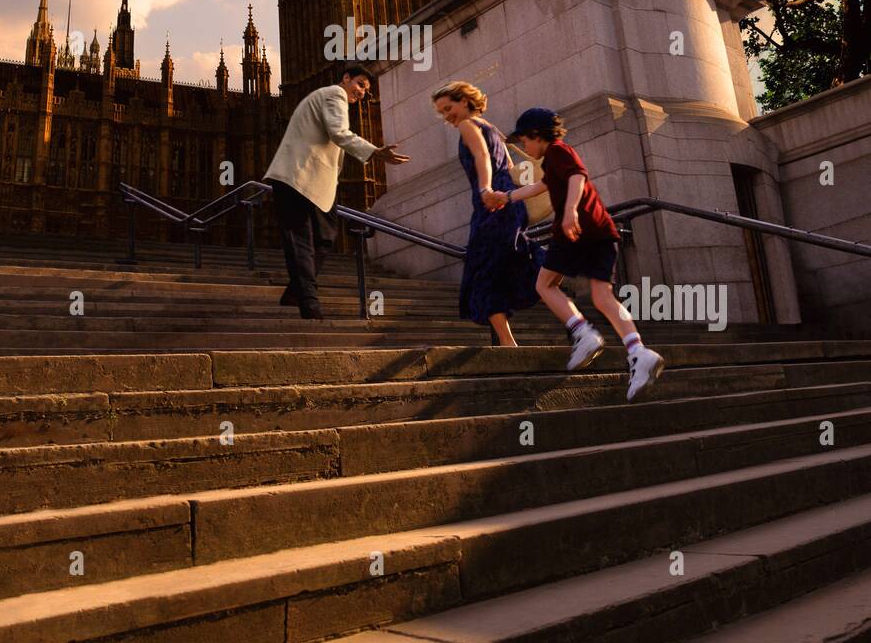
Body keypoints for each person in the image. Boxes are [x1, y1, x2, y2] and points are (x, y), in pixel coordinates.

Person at [486, 107, 664, 401]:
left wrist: (568, 212)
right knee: (603, 297)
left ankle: (582, 332)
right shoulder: (554, 161)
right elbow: (541, 186)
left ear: (537, 135)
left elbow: (578, 177)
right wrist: (505, 197)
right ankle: (639, 353)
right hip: (601, 231)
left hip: (574, 231)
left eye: (525, 142)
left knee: (544, 284)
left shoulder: (557, 151)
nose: (525, 149)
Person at [263, 65, 408, 320]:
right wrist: (375, 151)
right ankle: (308, 302)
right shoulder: (335, 95)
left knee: (325, 238)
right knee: (301, 240)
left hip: (316, 184)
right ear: (346, 78)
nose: (362, 92)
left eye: (366, 89)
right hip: (296, 178)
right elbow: (339, 133)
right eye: (360, 84)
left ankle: (294, 292)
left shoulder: (332, 99)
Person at [432, 81, 544, 347]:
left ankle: (508, 342)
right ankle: (510, 341)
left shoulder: (468, 125)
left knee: (482, 270)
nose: (448, 115)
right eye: (442, 112)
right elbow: (508, 166)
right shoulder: (491, 127)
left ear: (464, 101)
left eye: (449, 107)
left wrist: (484, 187)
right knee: (503, 263)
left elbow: (482, 155)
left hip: (492, 200)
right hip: (509, 199)